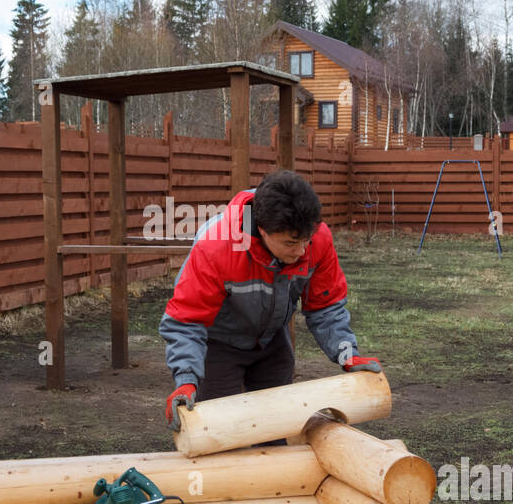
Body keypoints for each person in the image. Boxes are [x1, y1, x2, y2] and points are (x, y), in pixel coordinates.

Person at [159, 169, 380, 430]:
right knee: (217, 431)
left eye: (306, 241)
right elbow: (186, 319)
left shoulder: (317, 239)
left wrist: (347, 354)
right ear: (263, 230)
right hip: (218, 343)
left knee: (278, 429)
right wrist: (186, 378)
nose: (300, 252)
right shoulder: (216, 246)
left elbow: (326, 307)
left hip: (273, 340)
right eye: (290, 243)